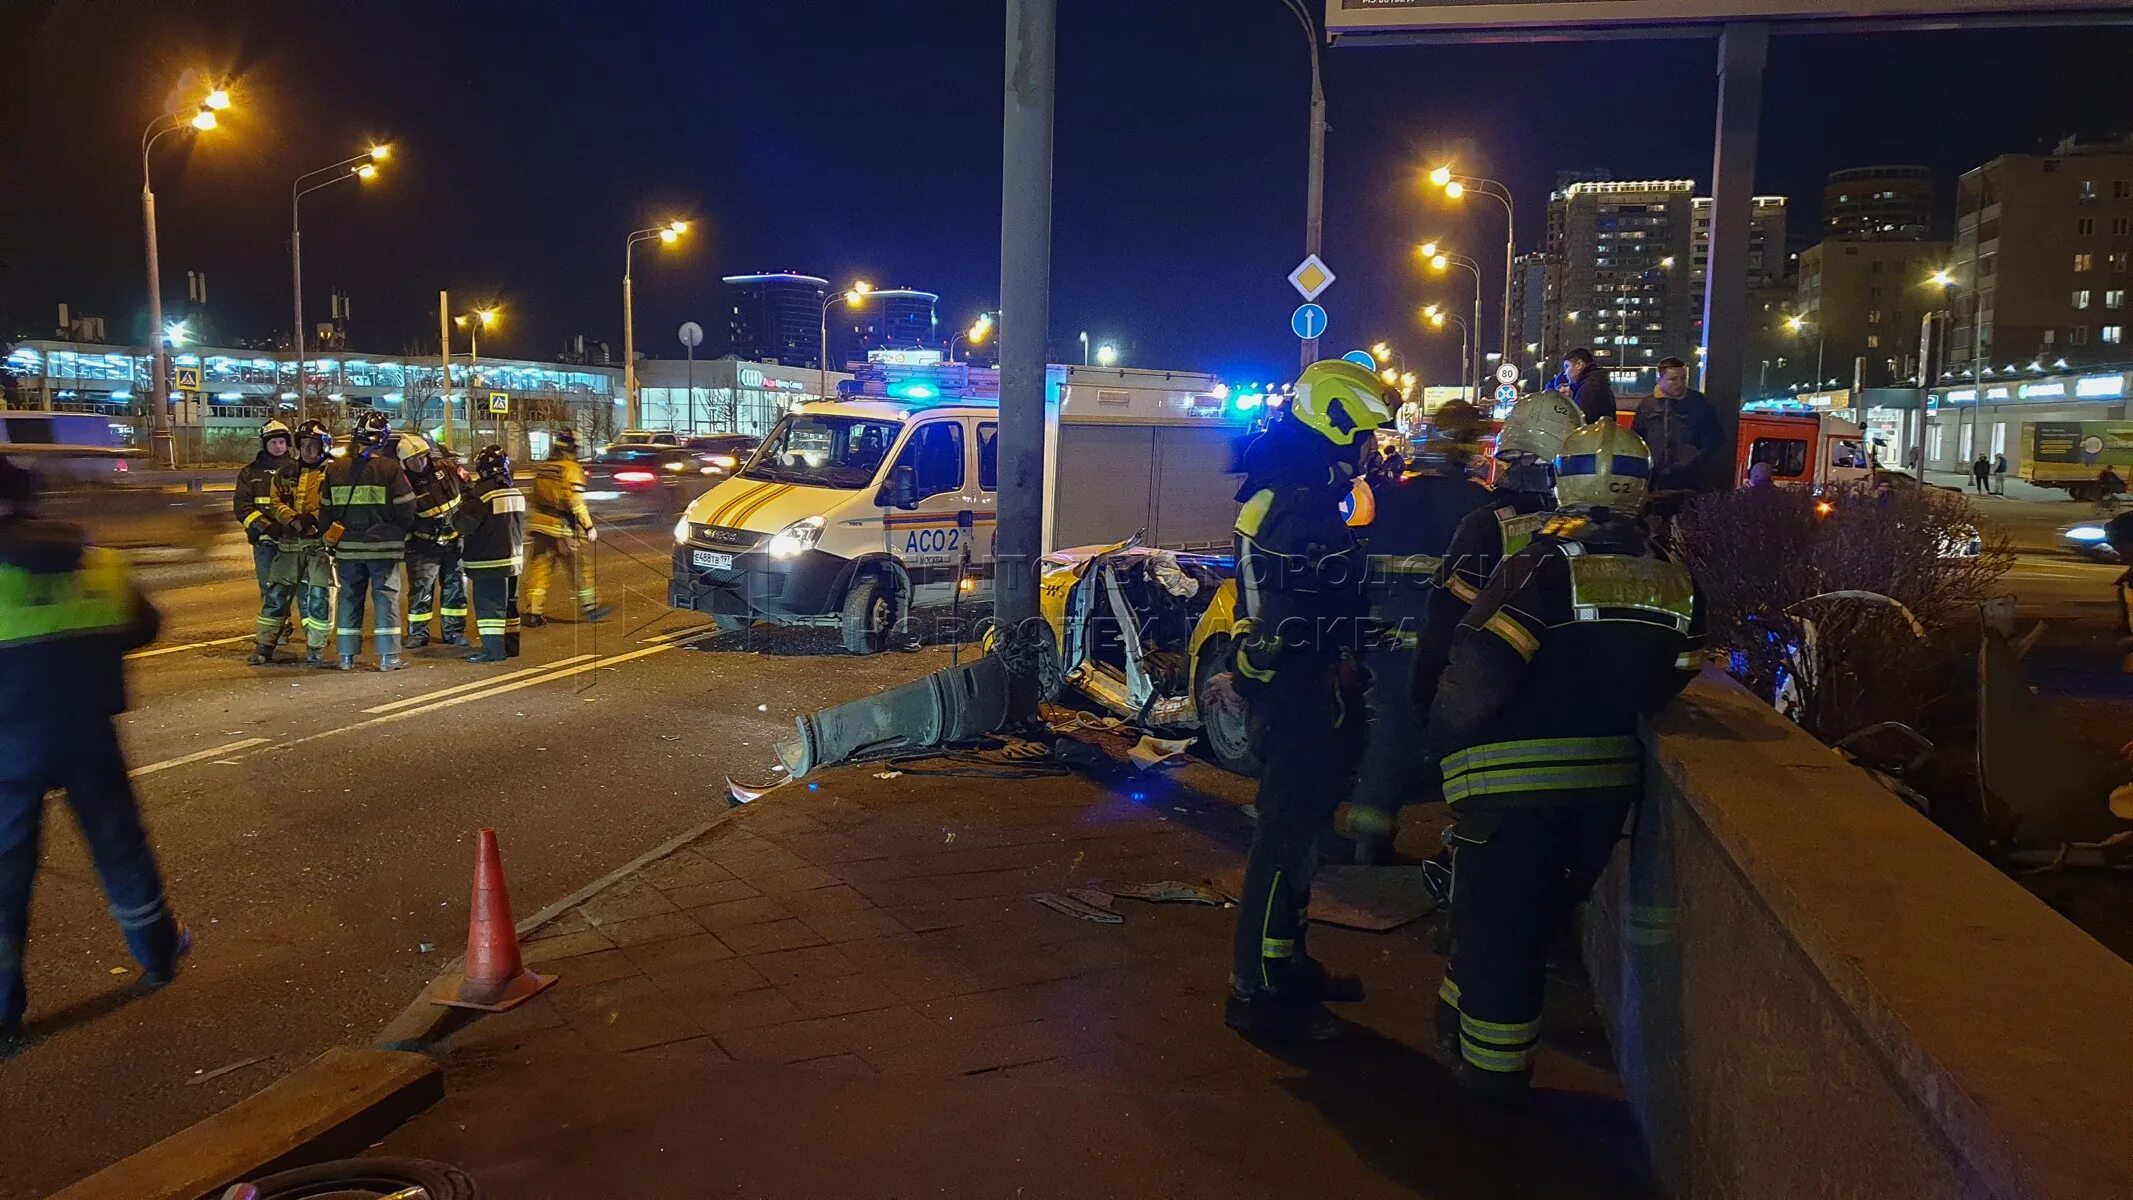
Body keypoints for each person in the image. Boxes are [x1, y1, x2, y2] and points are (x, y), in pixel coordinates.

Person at [1422, 420, 1705, 1104]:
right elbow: (1676, 675)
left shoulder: (1541, 565)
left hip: (1510, 791)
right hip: (1602, 798)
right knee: (1529, 922)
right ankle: (1457, 1023)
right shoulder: (1674, 576)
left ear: (1562, 480)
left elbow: (1479, 671)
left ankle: (1490, 1095)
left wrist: (1438, 740)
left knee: (1499, 936)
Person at [1222, 359, 1394, 1040]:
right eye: (1366, 435)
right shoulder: (1295, 504)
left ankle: (1284, 964)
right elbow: (1284, 616)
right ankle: (1255, 992)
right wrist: (1268, 676)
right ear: (1337, 425)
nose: (1371, 449)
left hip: (1311, 689)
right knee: (1282, 841)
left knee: (1301, 840)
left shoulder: (1305, 493)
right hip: (1298, 695)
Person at [0, 456, 188, 1054]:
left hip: (7, 742)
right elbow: (144, 626)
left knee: (5, 873)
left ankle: (3, 1012)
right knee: (121, 848)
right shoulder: (98, 561)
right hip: (89, 731)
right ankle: (159, 955)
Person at [1348, 435, 1493, 863]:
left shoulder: (1389, 497)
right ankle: (1467, 843)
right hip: (1448, 641)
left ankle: (1370, 837)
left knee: (1391, 731)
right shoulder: (1477, 504)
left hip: (1390, 634)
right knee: (1461, 734)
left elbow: (1363, 563)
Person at [1411, 391, 1584, 728]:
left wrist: (1425, 706)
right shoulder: (1593, 533)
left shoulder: (1486, 525)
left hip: (1494, 719)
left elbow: (1444, 625)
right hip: (1569, 714)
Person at [319, 411, 416, 671]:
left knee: (349, 599)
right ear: (382, 439)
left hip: (348, 549)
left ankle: (346, 657)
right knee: (386, 598)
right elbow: (407, 507)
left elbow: (325, 509)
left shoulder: (334, 469)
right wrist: (400, 531)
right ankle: (388, 657)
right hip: (383, 548)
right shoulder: (389, 468)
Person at [255, 419, 337, 666]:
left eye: (313, 444)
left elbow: (339, 504)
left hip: (319, 547)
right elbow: (274, 501)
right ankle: (264, 646)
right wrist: (292, 519)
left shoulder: (334, 473)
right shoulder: (285, 473)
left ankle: (316, 647)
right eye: (303, 444)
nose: (308, 449)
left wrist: (314, 519)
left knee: (319, 599)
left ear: (324, 445)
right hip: (289, 546)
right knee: (276, 596)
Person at [523, 428, 610, 627]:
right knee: (579, 568)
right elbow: (575, 502)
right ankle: (591, 608)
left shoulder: (543, 468)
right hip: (563, 528)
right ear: (571, 449)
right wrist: (588, 526)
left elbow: (533, 497)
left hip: (540, 525)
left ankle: (533, 612)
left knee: (540, 570)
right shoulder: (571, 469)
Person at [455, 445, 527, 663]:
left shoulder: (482, 495)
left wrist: (465, 493)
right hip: (513, 559)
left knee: (490, 608)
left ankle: (493, 651)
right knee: (510, 604)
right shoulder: (514, 491)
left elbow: (462, 524)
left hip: (488, 560)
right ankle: (510, 647)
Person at [397, 435, 469, 650]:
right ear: (404, 463)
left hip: (454, 541)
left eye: (421, 457)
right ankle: (418, 633)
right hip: (423, 545)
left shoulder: (446, 467)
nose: (419, 463)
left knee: (455, 588)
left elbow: (468, 487)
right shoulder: (402, 481)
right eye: (413, 460)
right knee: (421, 590)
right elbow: (400, 515)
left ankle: (454, 632)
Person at [1631, 356, 1724, 512]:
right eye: (1673, 379)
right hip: (1655, 481)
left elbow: (1715, 439)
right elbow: (1637, 439)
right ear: (1659, 379)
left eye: (1683, 378)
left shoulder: (1698, 403)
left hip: (1689, 482)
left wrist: (1693, 461)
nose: (1680, 383)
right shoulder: (1647, 405)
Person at [235, 419, 295, 652]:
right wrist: (266, 527)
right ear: (265, 444)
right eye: (274, 442)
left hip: (294, 540)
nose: (279, 446)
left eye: (282, 442)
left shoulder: (298, 470)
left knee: (304, 587)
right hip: (265, 542)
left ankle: (315, 634)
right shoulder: (250, 473)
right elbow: (242, 508)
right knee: (271, 587)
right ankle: (279, 630)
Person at [1562, 348, 1617, 424]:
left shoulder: (1589, 389)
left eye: (1567, 366)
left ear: (1579, 365)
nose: (1565, 373)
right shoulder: (1595, 383)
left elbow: (1579, 422)